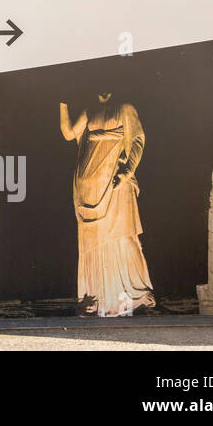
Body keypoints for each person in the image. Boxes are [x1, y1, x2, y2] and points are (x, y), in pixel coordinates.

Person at [59, 91, 155, 317]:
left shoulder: (124, 108)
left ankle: (131, 294)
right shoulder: (88, 110)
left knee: (123, 235)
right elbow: (68, 133)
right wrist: (62, 101)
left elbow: (138, 140)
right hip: (87, 184)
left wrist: (127, 171)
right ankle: (94, 295)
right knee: (92, 241)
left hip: (114, 181)